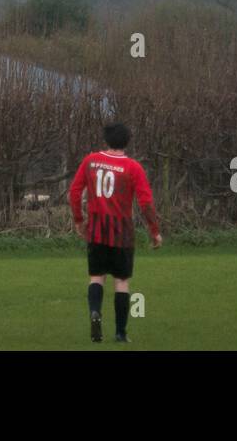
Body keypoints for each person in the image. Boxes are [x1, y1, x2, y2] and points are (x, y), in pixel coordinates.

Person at [68, 122, 162, 343]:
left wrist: (79, 220)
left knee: (96, 277)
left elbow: (74, 192)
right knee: (121, 281)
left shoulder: (90, 161)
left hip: (97, 229)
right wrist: (154, 231)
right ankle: (120, 333)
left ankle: (95, 312)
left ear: (106, 140)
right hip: (122, 232)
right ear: (127, 141)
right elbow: (146, 202)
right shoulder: (133, 167)